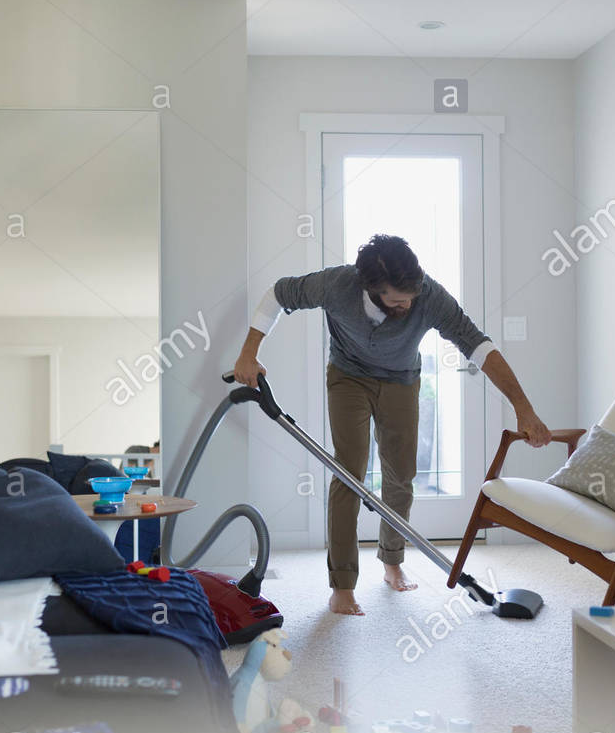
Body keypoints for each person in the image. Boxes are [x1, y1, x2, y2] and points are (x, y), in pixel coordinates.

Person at [233, 234, 552, 616]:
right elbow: (278, 295)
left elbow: (478, 345)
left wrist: (524, 408)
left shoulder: (428, 295)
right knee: (347, 472)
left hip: (401, 379)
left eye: (412, 296)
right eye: (399, 300)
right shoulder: (337, 285)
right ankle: (342, 584)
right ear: (371, 288)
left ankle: (392, 559)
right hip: (348, 376)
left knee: (401, 474)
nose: (409, 304)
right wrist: (249, 353)